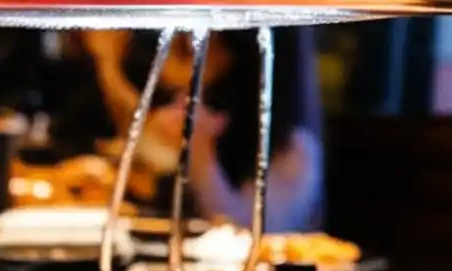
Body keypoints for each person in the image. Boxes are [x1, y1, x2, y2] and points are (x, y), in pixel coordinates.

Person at [80, 29, 324, 232]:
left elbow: (244, 231)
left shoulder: (296, 150)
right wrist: (108, 62)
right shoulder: (191, 106)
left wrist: (198, 149)